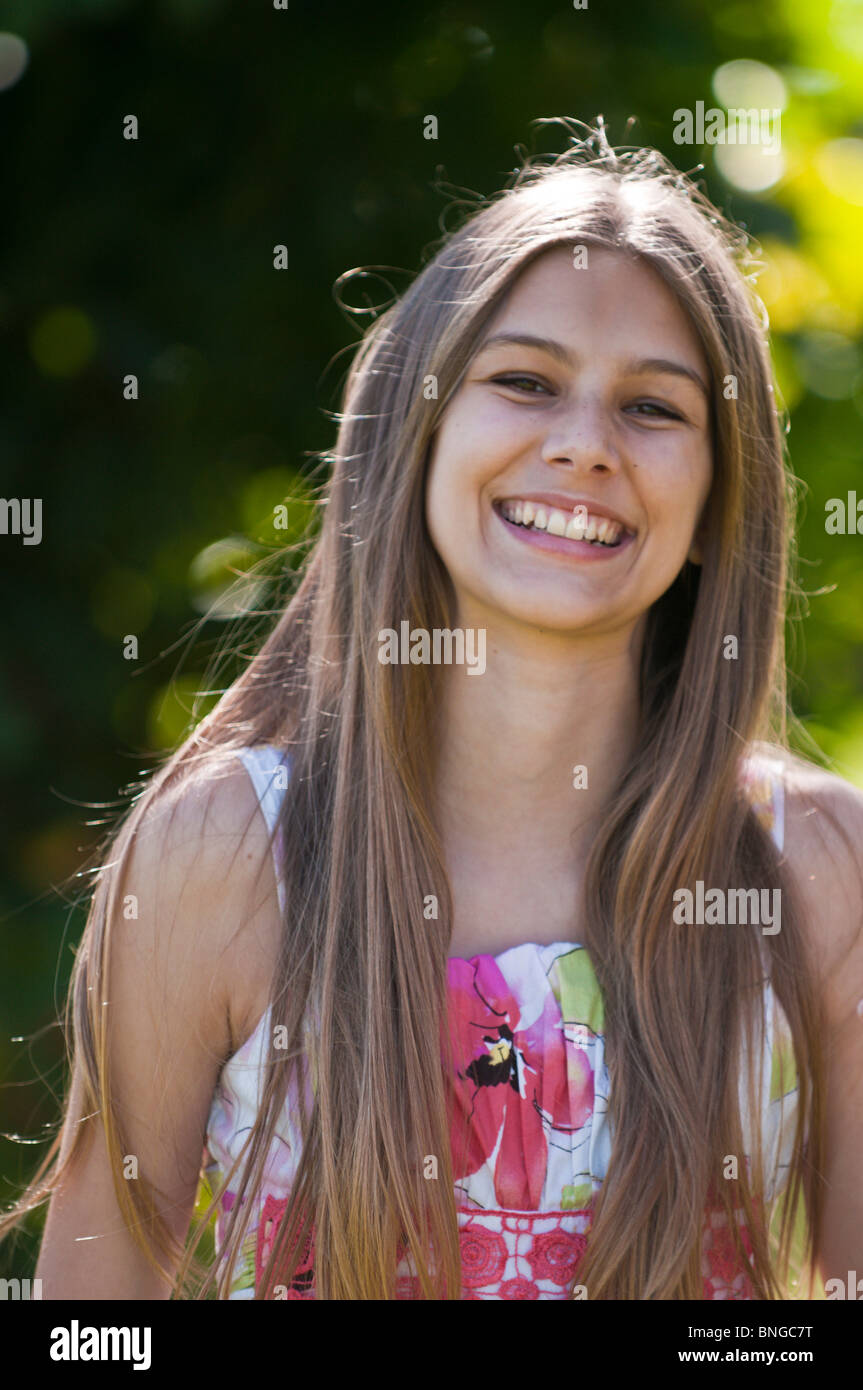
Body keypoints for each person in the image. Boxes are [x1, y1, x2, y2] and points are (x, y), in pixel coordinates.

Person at [7, 118, 863, 1300]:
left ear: (722, 494)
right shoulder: (227, 853)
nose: (582, 446)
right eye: (523, 381)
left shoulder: (819, 870)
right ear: (417, 431)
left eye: (653, 408)